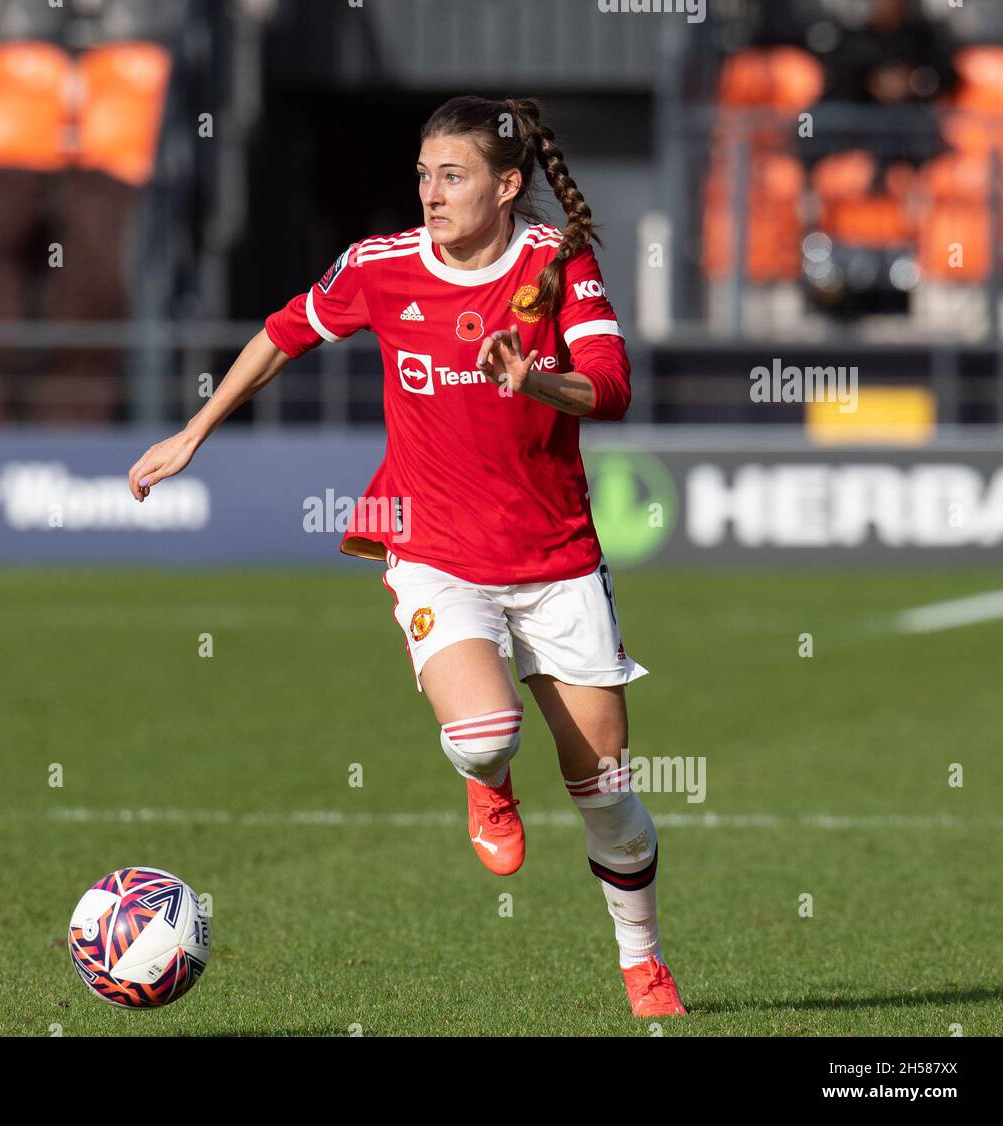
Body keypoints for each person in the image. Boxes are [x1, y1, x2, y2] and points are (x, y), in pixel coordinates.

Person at [127, 95, 685, 1018]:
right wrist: (194, 433)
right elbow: (281, 333)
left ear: (507, 187)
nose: (430, 193)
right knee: (483, 735)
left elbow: (614, 389)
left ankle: (643, 962)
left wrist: (532, 378)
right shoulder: (382, 266)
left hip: (554, 557)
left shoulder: (555, 263)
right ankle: (488, 787)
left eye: (452, 176)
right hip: (432, 545)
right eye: (423, 174)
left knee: (611, 805)